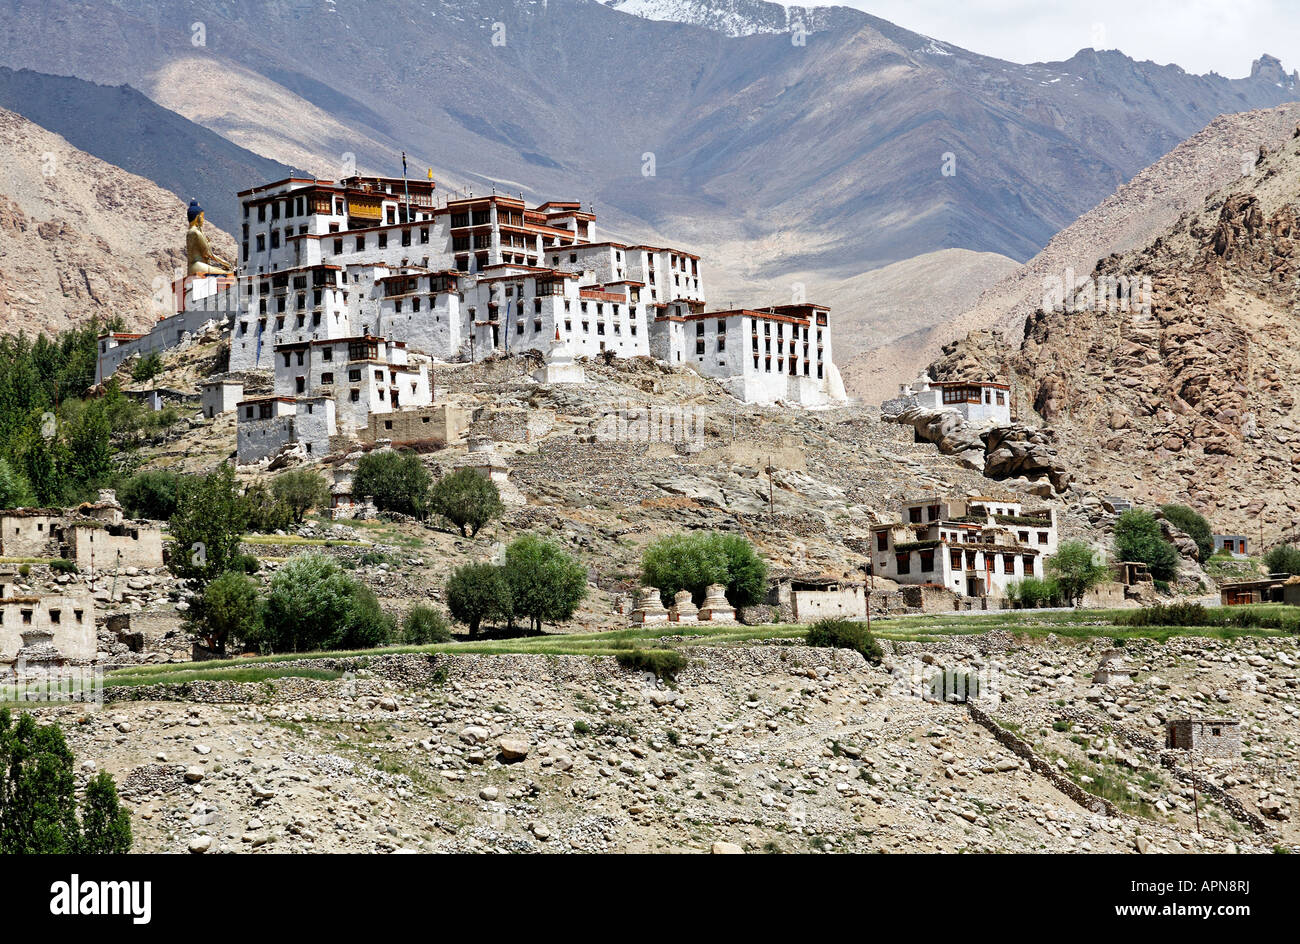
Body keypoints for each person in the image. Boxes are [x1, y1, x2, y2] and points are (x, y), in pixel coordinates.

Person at [185, 199, 233, 276]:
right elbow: (209, 254)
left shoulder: (190, 232)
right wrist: (226, 263)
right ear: (198, 217)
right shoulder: (196, 233)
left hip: (192, 267)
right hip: (199, 266)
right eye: (202, 217)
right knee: (229, 273)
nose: (203, 220)